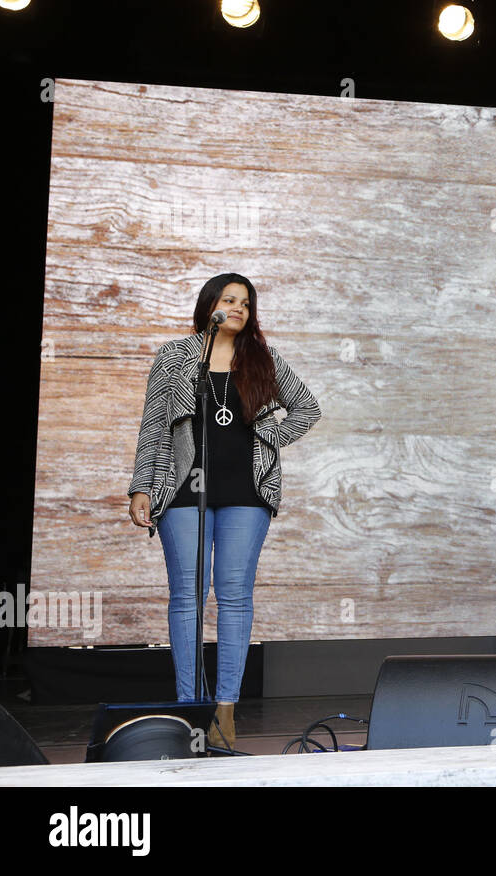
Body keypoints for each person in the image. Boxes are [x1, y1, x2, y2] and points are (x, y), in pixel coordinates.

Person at [128, 273, 321, 747]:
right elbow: (154, 427)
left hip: (246, 493)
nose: (238, 308)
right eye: (229, 299)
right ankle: (190, 708)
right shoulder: (175, 356)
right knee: (188, 596)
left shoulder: (263, 359)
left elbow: (306, 408)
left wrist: (268, 436)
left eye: (246, 303)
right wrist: (141, 488)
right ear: (210, 304)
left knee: (234, 595)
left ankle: (226, 712)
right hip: (183, 491)